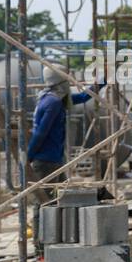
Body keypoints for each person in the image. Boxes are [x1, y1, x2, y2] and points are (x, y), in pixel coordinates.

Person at [25, 66, 101, 242]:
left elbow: (82, 97)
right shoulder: (52, 103)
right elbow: (41, 133)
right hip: (45, 161)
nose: (70, 84)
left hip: (55, 160)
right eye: (68, 80)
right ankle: (40, 246)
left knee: (55, 202)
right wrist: (29, 156)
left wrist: (101, 82)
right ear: (61, 82)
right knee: (42, 204)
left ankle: (51, 242)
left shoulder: (53, 100)